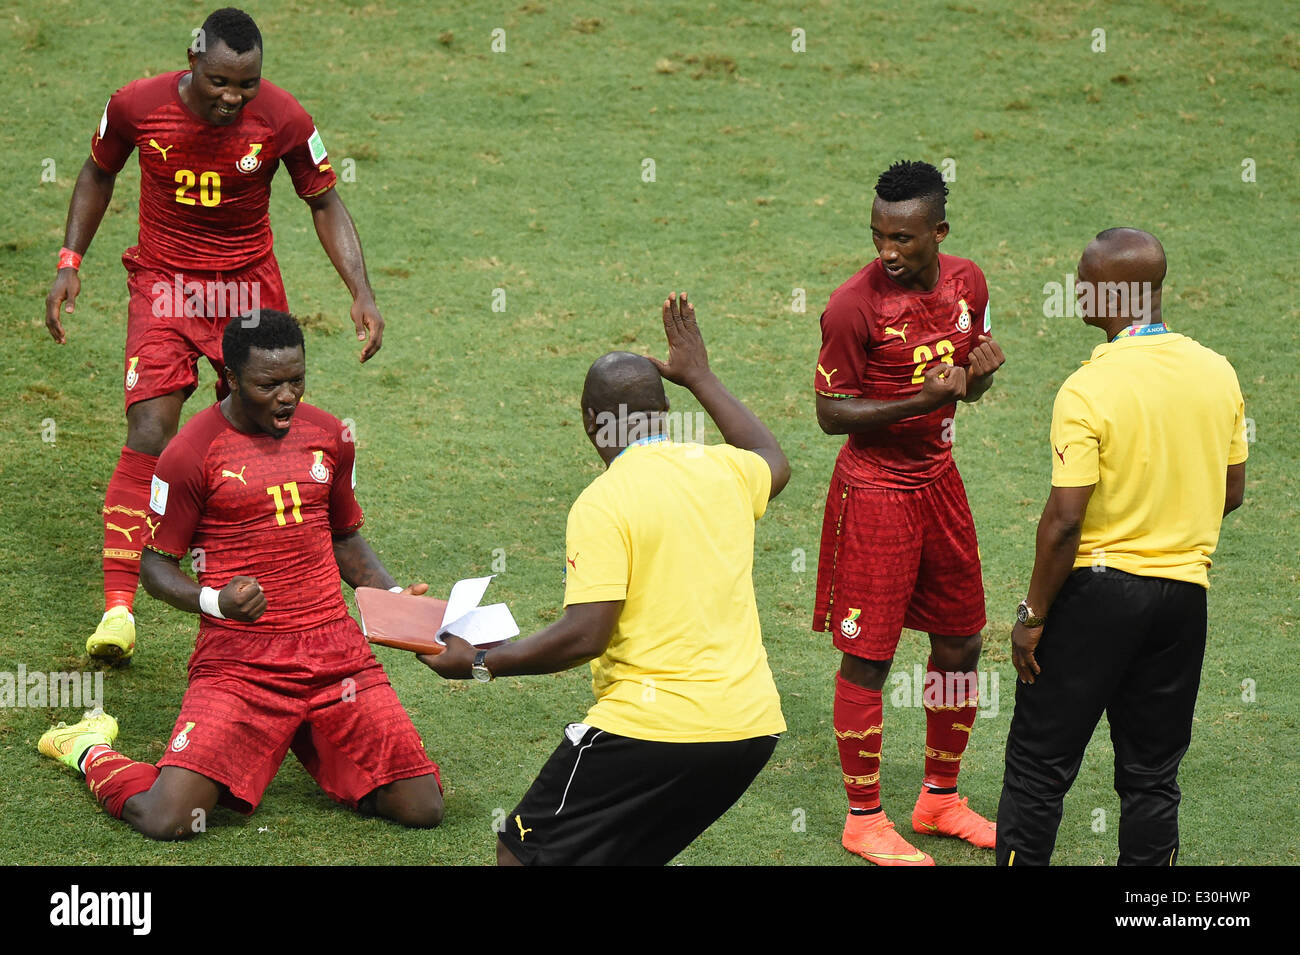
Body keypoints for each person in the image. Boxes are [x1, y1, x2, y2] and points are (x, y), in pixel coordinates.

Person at [44, 7, 387, 662]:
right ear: (193, 60)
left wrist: (361, 292)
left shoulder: (283, 117)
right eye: (221, 82)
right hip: (165, 287)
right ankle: (119, 608)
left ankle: (271, 580)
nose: (233, 97)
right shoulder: (137, 105)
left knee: (264, 435)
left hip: (247, 290)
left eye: (247, 84)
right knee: (150, 431)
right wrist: (69, 263)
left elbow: (323, 201)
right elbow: (97, 172)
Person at [37, 310, 442, 839]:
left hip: (335, 654)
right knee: (167, 818)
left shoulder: (331, 435)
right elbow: (156, 565)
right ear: (227, 379)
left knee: (422, 807)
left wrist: (394, 597)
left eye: (296, 380)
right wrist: (215, 602)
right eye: (269, 384)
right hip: (241, 661)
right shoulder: (188, 454)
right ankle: (89, 747)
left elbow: (343, 536)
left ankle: (301, 729)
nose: (287, 397)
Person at [423, 292, 790, 866]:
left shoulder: (604, 502)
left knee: (520, 851)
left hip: (651, 731)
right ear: (664, 413)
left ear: (591, 423)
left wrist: (478, 663)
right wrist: (701, 376)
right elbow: (772, 456)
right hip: (751, 731)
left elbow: (586, 635)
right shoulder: (723, 470)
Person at [996, 229, 1247, 866]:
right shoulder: (1217, 371)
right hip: (1183, 601)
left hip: (1096, 596)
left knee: (1038, 767)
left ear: (1113, 290)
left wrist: (1031, 617)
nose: (1074, 287)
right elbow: (1232, 490)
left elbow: (1063, 522)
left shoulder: (1090, 387)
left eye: (1082, 278)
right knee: (1152, 776)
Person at [813, 160, 1006, 866]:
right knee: (868, 656)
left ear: (938, 233)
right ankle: (863, 817)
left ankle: (939, 797)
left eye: (902, 238)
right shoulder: (850, 307)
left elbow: (964, 383)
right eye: (877, 236)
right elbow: (830, 413)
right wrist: (920, 403)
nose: (887, 252)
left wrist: (977, 381)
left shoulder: (969, 283)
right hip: (875, 491)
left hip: (940, 483)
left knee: (962, 639)